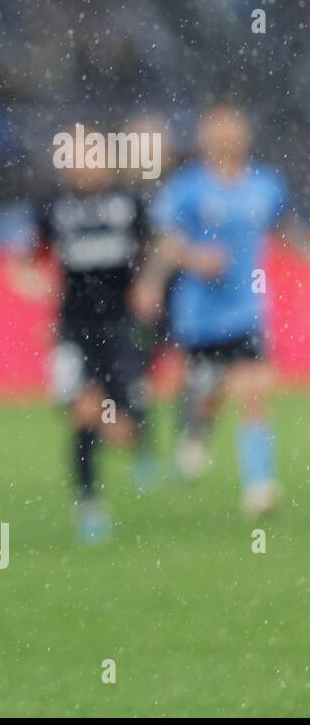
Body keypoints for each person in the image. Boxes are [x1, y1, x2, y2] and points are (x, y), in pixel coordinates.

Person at [135, 105, 310, 517]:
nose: (227, 138)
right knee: (209, 393)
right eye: (218, 131)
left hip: (246, 309)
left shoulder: (266, 185)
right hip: (198, 315)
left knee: (253, 391)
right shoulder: (187, 188)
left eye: (233, 130)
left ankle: (259, 487)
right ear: (204, 138)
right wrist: (182, 265)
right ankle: (195, 431)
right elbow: (165, 241)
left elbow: (290, 233)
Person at [11, 125, 152, 543]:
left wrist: (150, 284)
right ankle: (89, 504)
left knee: (127, 424)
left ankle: (138, 441)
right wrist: (34, 284)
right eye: (75, 158)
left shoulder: (128, 205)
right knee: (84, 413)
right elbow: (25, 261)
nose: (83, 167)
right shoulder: (53, 208)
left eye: (91, 156)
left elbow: (154, 250)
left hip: (121, 327)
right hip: (74, 329)